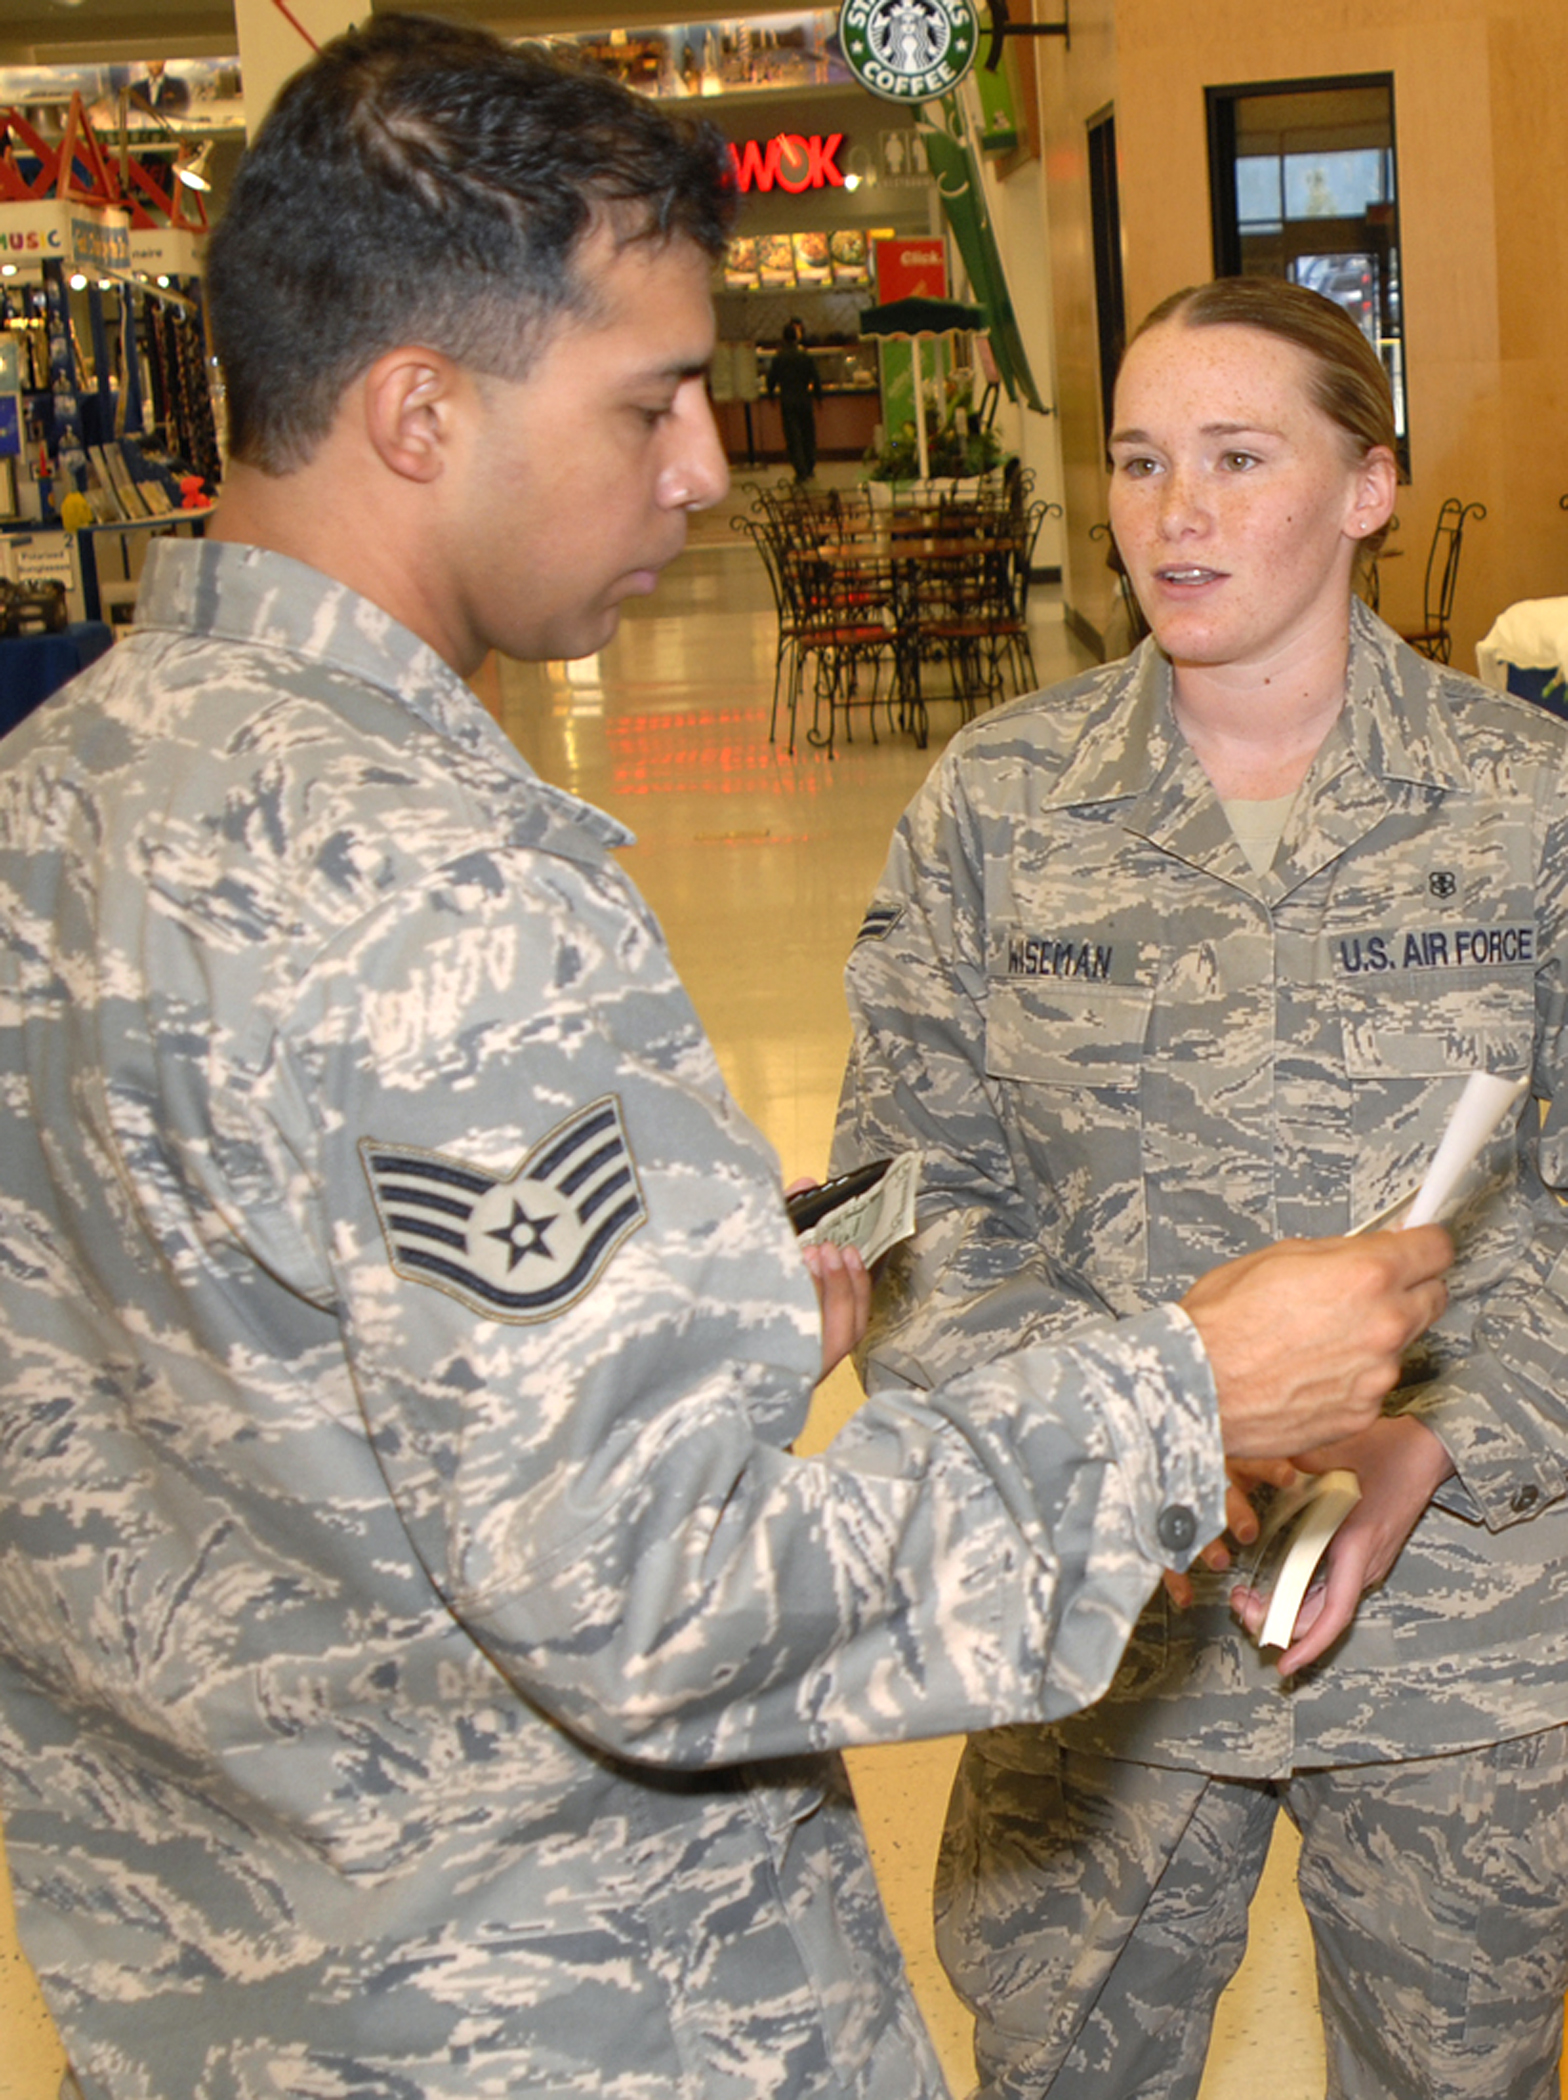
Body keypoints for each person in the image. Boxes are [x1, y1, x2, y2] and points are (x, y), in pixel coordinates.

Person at [0, 30, 1451, 2094]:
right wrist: (1179, 1394)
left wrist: (684, 1318)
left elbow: (229, 1389)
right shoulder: (435, 885)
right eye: (645, 399)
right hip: (560, 2006)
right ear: (421, 411)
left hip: (206, 1993)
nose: (703, 465)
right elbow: (660, 1608)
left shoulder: (59, 791)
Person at [832, 274, 1568, 2100]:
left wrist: (1430, 1439)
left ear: (1368, 486)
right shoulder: (1001, 804)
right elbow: (906, 1195)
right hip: (1107, 1633)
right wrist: (1128, 1431)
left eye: (1240, 458)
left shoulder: (1528, 804)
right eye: (1143, 460)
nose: (1175, 512)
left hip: (1458, 1644)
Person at [768, 316, 823, 483]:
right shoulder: (804, 356)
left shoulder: (779, 358)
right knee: (808, 433)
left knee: (793, 437)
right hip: (804, 399)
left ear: (784, 338)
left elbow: (771, 379)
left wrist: (771, 395)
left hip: (787, 400)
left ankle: (800, 469)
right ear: (796, 338)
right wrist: (819, 398)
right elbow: (816, 378)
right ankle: (810, 465)